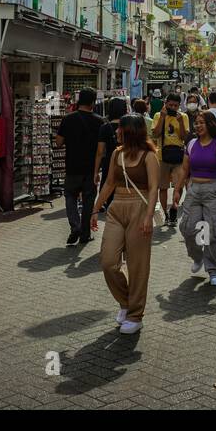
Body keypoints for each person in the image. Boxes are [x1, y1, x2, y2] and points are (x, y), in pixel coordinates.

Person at [95, 113, 161, 334]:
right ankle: (125, 302)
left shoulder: (149, 156)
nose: (116, 132)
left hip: (139, 207)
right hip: (116, 208)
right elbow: (109, 183)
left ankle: (135, 314)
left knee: (138, 265)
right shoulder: (116, 154)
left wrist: (148, 215)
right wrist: (95, 209)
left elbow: (153, 188)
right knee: (108, 262)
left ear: (129, 131)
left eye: (120, 129)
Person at [178, 110, 216, 286]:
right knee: (187, 228)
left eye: (202, 122)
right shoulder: (192, 144)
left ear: (211, 124)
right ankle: (197, 257)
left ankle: (213, 270)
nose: (198, 125)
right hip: (194, 190)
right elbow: (184, 169)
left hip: (214, 190)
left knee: (213, 232)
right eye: (197, 123)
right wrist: (178, 189)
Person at [54, 88, 104, 245]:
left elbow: (58, 142)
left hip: (72, 166)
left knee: (70, 196)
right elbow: (101, 150)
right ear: (92, 102)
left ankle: (75, 226)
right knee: (88, 200)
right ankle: (85, 233)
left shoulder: (68, 119)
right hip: (91, 168)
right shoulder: (99, 121)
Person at [150, 93, 191, 228]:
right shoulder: (158, 115)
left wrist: (179, 121)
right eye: (170, 105)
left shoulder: (183, 117)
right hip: (162, 157)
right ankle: (165, 214)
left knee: (178, 186)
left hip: (179, 157)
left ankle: (174, 207)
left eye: (175, 105)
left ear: (179, 106)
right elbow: (154, 134)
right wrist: (162, 117)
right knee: (162, 187)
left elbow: (185, 138)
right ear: (165, 104)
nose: (173, 108)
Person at [92, 97, 129, 227]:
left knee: (110, 193)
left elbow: (100, 152)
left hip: (109, 164)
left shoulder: (105, 127)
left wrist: (96, 171)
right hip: (128, 163)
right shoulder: (129, 125)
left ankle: (114, 221)